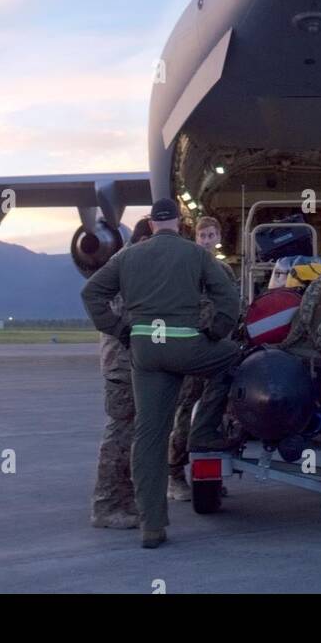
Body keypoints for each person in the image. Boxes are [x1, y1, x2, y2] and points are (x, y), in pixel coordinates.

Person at [81, 197, 240, 548]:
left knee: (149, 437)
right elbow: (229, 296)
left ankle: (152, 526)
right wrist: (216, 330)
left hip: (144, 353)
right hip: (187, 346)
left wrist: (120, 329)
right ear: (182, 225)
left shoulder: (127, 256)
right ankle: (203, 432)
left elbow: (91, 292)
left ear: (151, 224)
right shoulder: (196, 255)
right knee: (235, 360)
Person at [89, 214, 152, 530]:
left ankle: (124, 503)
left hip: (132, 363)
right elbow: (104, 306)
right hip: (122, 365)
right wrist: (124, 331)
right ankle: (107, 506)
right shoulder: (121, 268)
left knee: (131, 433)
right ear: (143, 242)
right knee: (120, 432)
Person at [167, 215, 236, 502]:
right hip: (192, 348)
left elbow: (232, 303)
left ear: (219, 237)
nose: (207, 240)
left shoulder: (224, 270)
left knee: (215, 411)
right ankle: (174, 474)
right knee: (185, 410)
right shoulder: (187, 267)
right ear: (195, 238)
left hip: (217, 348)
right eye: (202, 235)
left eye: (211, 234)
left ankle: (209, 474)